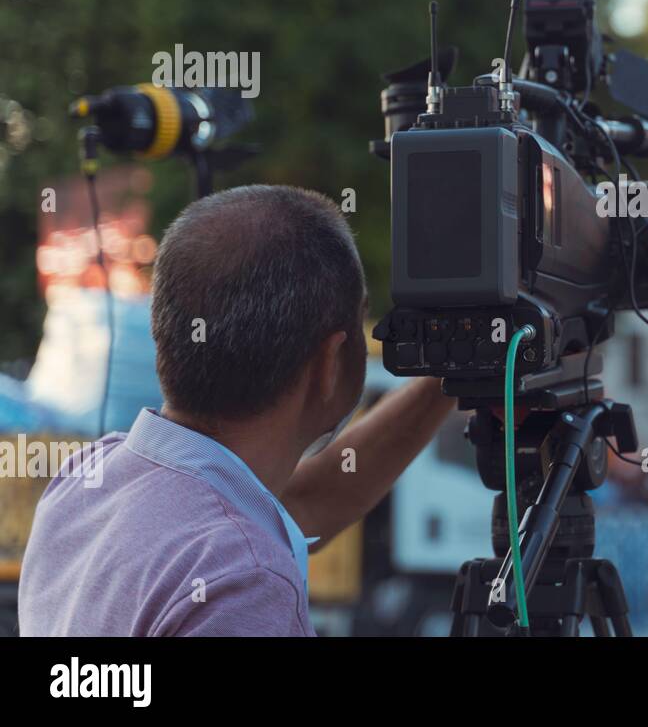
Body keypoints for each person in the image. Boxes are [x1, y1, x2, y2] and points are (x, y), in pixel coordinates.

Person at [19, 185, 458, 636]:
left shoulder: (87, 481)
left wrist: (449, 377)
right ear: (329, 364)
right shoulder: (246, 581)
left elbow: (302, 505)